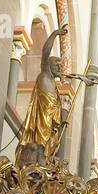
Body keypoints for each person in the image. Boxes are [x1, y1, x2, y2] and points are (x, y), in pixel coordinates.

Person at [18, 25, 69, 163]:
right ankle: (39, 157)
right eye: (56, 64)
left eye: (60, 64)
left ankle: (46, 158)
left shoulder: (55, 87)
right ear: (48, 65)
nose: (59, 66)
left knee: (48, 147)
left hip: (49, 125)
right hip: (40, 122)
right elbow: (45, 52)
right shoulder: (45, 75)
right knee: (40, 145)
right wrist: (54, 34)